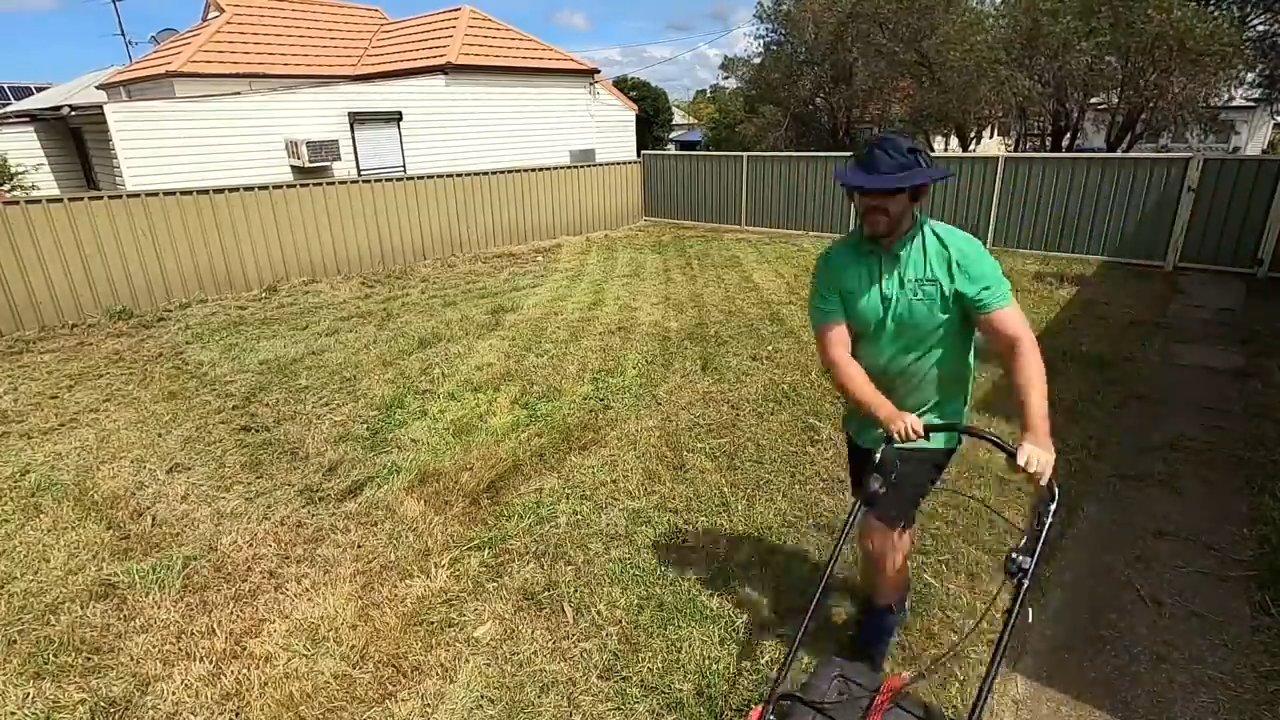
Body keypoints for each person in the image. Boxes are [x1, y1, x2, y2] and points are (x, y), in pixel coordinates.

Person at [807, 133, 1055, 672]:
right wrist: (884, 413)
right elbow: (838, 356)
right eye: (861, 192)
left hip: (933, 426)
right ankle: (893, 582)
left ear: (917, 193)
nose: (870, 203)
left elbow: (1016, 341)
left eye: (887, 193)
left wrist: (1037, 432)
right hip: (869, 423)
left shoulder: (957, 254)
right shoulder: (836, 263)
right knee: (885, 523)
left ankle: (873, 642)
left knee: (877, 532)